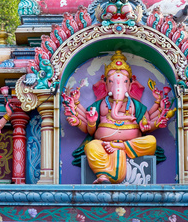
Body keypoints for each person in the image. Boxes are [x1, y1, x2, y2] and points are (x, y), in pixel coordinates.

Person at [63, 50, 174, 184]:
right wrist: (91, 122)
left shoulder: (135, 106)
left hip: (129, 145)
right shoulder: (100, 105)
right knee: (91, 146)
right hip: (104, 145)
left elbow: (147, 126)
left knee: (151, 141)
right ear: (105, 85)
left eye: (124, 81)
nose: (118, 87)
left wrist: (148, 126)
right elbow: (90, 131)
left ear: (130, 85)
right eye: (111, 81)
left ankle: (121, 146)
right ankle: (103, 175)